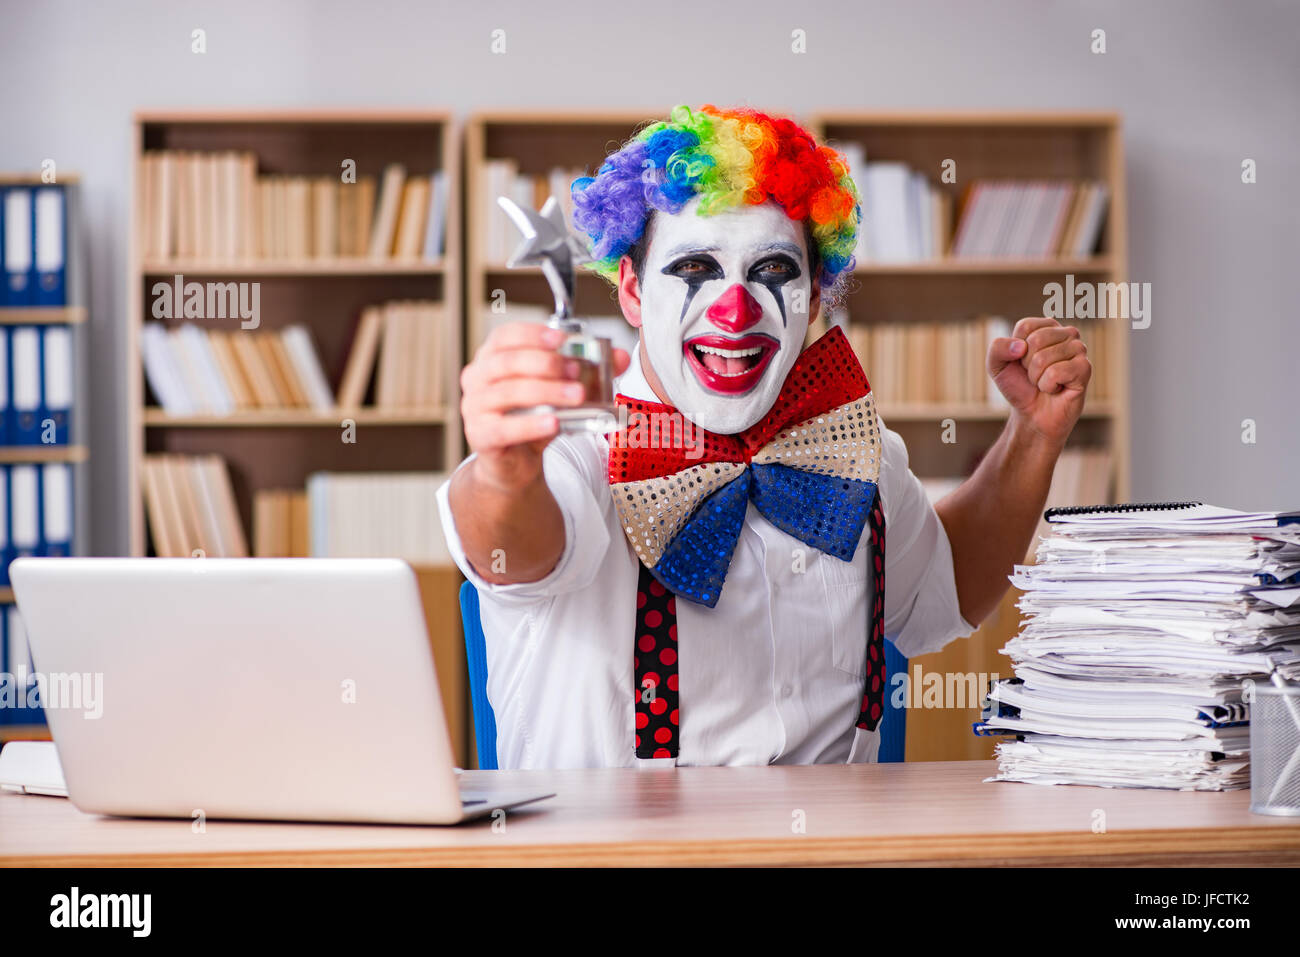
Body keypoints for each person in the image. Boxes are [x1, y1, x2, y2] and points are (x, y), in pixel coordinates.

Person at [437, 104, 1091, 769]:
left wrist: (1034, 433)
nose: (735, 309)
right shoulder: (575, 453)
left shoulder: (855, 454)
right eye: (694, 269)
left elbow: (943, 591)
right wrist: (503, 472)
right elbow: (510, 550)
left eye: (773, 271)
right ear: (632, 293)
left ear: (815, 295)